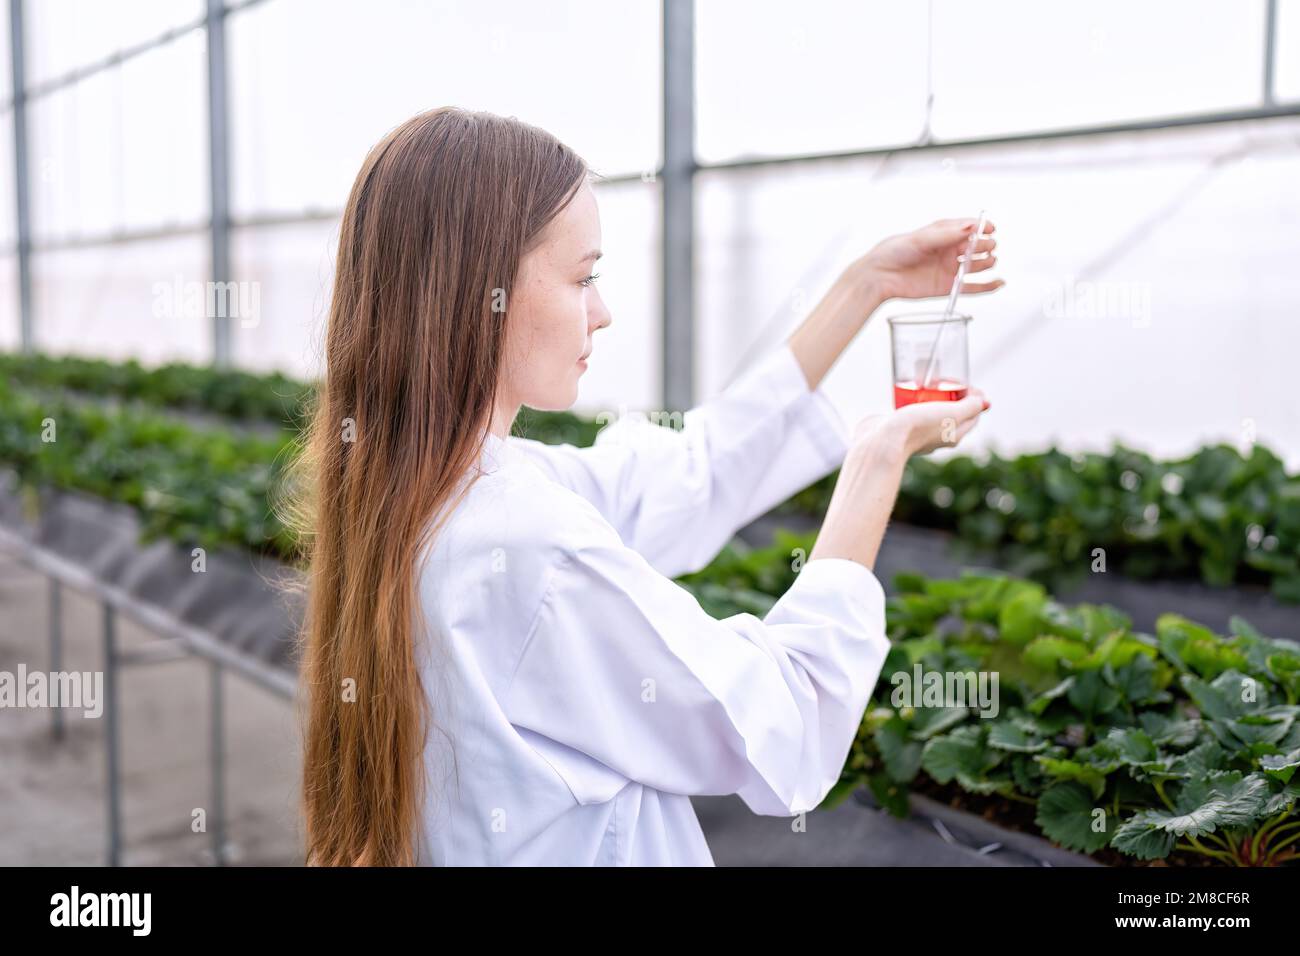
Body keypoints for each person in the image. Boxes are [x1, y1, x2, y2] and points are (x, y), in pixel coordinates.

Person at [294, 107, 1000, 866]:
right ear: (481, 294)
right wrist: (875, 461)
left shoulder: (424, 498)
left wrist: (866, 286)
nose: (602, 312)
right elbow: (785, 717)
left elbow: (685, 473)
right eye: (582, 277)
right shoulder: (525, 544)